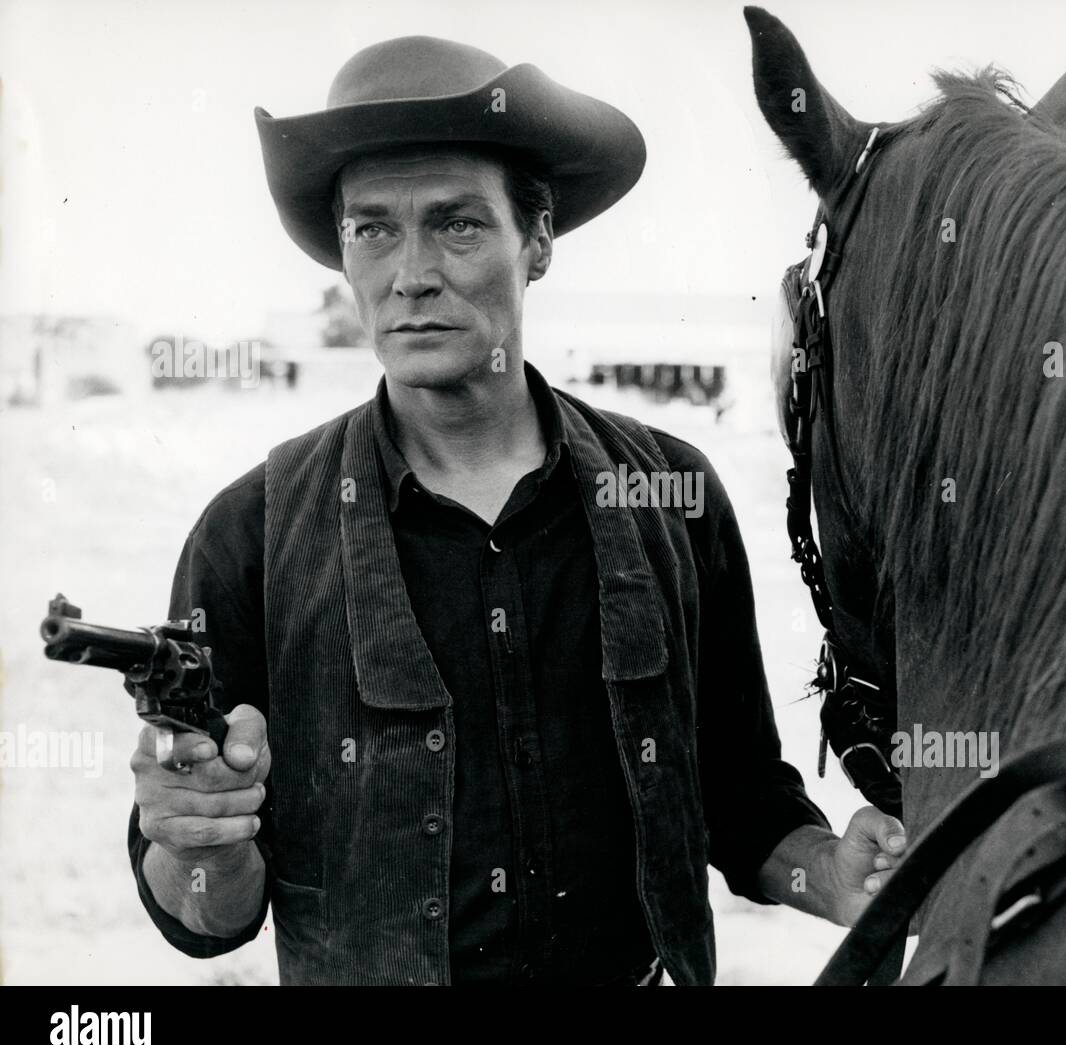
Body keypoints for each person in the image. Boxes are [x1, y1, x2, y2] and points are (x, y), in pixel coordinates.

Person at [127, 34, 905, 986]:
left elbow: (740, 802)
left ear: (537, 241)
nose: (409, 274)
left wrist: (831, 872)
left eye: (455, 224)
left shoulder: (671, 495)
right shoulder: (249, 535)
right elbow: (211, 918)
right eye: (372, 229)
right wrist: (200, 844)